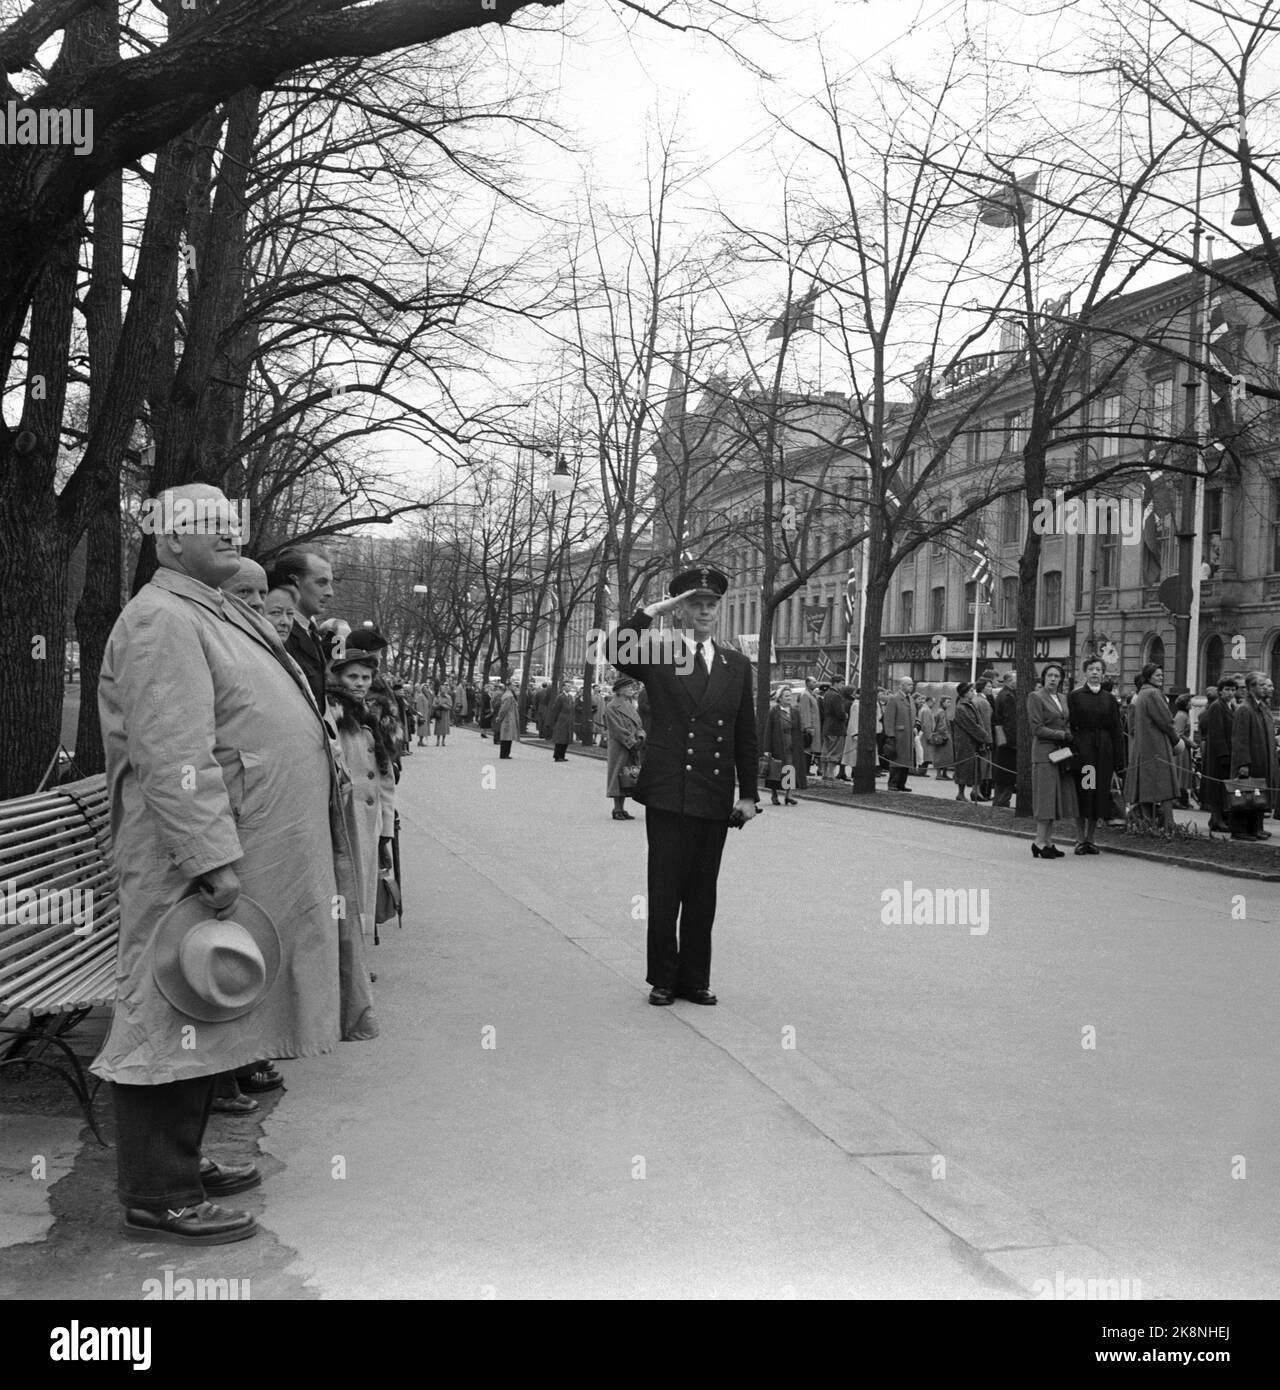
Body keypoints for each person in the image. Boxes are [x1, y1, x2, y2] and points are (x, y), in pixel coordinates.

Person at [92, 484, 374, 1247]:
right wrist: (211, 858)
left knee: (211, 1005)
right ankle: (159, 1194)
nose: (225, 530)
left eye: (229, 519)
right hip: (195, 860)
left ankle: (180, 1163)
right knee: (174, 1010)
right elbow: (173, 753)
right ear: (166, 542)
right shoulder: (162, 619)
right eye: (203, 523)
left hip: (233, 849)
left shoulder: (205, 608)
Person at [612, 565, 758, 1007]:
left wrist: (749, 794)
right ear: (680, 610)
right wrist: (653, 609)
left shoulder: (737, 664)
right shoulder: (659, 655)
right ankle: (663, 977)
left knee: (702, 892)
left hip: (713, 793)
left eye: (711, 604)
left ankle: (695, 978)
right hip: (669, 790)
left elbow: (745, 734)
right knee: (665, 887)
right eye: (694, 604)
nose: (704, 611)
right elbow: (618, 649)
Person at [325, 648, 396, 940]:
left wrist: (387, 828)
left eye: (365, 677)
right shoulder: (334, 715)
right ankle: (344, 960)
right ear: (338, 678)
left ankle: (355, 958)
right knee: (343, 888)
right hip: (345, 817)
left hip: (369, 821)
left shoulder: (369, 715)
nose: (360, 683)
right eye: (352, 676)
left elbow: (385, 777)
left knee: (362, 887)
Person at [267, 547, 334, 710]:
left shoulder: (311, 632)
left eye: (330, 583)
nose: (330, 592)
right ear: (294, 582)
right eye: (322, 582)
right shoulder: (278, 634)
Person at [1068, 656, 1123, 853]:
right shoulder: (1075, 696)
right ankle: (1080, 839)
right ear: (1085, 672)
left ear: (1103, 673)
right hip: (1085, 753)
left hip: (1104, 752)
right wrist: (1074, 751)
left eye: (1098, 669)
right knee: (1085, 793)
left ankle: (1091, 839)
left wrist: (1118, 760)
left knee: (1099, 795)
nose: (1094, 673)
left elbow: (1117, 729)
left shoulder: (1109, 699)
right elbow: (1070, 726)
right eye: (1091, 669)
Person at [1026, 661, 1078, 858]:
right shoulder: (1035, 697)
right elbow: (1037, 729)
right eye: (1050, 676)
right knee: (1045, 798)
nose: (1053, 679)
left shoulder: (1063, 698)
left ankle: (1048, 841)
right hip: (1044, 754)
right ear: (1044, 678)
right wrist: (1062, 735)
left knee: (1056, 798)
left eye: (1057, 676)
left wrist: (1068, 734)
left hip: (1060, 754)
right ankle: (1038, 841)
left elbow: (1066, 722)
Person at [1123, 663, 1182, 832]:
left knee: (1146, 787)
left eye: (1162, 675)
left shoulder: (1141, 693)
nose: (1161, 678)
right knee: (1166, 786)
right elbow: (1166, 721)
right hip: (1158, 745)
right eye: (1157, 675)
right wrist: (1175, 739)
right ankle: (1169, 824)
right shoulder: (1154, 694)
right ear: (1149, 677)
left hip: (1144, 746)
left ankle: (1148, 823)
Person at [1229, 671, 1279, 841]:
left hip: (1262, 759)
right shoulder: (1245, 709)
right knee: (1244, 795)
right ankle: (1239, 830)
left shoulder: (1261, 707)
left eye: (1266, 685)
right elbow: (1240, 739)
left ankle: (1255, 827)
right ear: (1251, 687)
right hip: (1251, 761)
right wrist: (1243, 763)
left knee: (1258, 795)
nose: (1265, 688)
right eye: (1261, 685)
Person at [1200, 677, 1237, 833]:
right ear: (1220, 691)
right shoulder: (1217, 707)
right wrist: (1223, 754)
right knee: (1216, 787)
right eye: (1227, 690)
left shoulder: (1231, 706)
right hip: (1218, 756)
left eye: (1233, 690)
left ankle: (1222, 817)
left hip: (1228, 753)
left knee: (1224, 788)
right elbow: (1217, 733)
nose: (1230, 693)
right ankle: (1216, 819)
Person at [605, 677, 645, 820]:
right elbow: (617, 729)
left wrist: (640, 737)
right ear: (620, 691)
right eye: (628, 687)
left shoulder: (629, 705)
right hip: (620, 746)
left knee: (627, 776)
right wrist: (632, 741)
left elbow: (639, 724)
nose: (631, 689)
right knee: (617, 775)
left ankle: (622, 808)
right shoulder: (612, 707)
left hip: (632, 746)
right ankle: (616, 808)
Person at [763, 686, 806, 806]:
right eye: (786, 696)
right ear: (780, 698)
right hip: (778, 744)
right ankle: (774, 794)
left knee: (790, 769)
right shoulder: (774, 711)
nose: (789, 698)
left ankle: (789, 795)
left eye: (790, 696)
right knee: (775, 770)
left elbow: (798, 729)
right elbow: (768, 730)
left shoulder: (795, 712)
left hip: (791, 744)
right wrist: (767, 749)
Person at [950, 683, 987, 802]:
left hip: (972, 741)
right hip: (964, 743)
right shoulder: (961, 708)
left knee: (975, 767)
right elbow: (971, 725)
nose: (973, 693)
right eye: (971, 691)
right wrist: (983, 735)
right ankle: (960, 793)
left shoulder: (969, 705)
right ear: (964, 693)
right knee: (964, 768)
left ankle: (975, 791)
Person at [882, 676, 916, 791]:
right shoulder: (894, 698)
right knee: (896, 760)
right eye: (909, 684)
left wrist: (915, 727)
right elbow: (888, 718)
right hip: (898, 735)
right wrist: (890, 735)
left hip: (908, 735)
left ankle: (902, 783)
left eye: (912, 684)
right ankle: (893, 783)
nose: (911, 686)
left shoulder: (910, 699)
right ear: (901, 686)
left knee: (906, 760)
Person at [990, 672, 1018, 808]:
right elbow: (1011, 721)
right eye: (1015, 679)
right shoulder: (1009, 696)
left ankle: (999, 800)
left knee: (1002, 775)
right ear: (1009, 681)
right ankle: (1002, 801)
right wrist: (1014, 741)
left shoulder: (1002, 694)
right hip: (1009, 742)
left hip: (1002, 738)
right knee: (1008, 775)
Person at [971, 676, 994, 801]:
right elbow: (986, 723)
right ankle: (977, 791)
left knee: (979, 765)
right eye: (988, 686)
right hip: (983, 738)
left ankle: (976, 790)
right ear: (982, 688)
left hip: (976, 737)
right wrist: (988, 740)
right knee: (983, 766)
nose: (991, 689)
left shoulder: (974, 700)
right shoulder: (984, 702)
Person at [819, 682, 846, 785]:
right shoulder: (836, 696)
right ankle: (831, 775)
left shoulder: (826, 694)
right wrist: (845, 715)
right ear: (837, 683)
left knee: (825, 750)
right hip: (836, 727)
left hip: (826, 725)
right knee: (834, 751)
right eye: (841, 683)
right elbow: (840, 713)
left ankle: (825, 774)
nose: (842, 686)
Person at [1171, 693, 1194, 808]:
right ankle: (1176, 800)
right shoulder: (1182, 716)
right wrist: (1191, 743)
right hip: (1181, 748)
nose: (1191, 704)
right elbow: (1179, 733)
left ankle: (1183, 799)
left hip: (1184, 747)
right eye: (1189, 702)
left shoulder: (1184, 714)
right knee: (1180, 773)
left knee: (1184, 772)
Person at [798, 677, 820, 777]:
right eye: (813, 682)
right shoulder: (805, 695)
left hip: (815, 725)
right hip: (810, 727)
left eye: (816, 682)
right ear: (807, 683)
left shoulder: (812, 695)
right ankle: (805, 770)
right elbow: (805, 712)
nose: (815, 683)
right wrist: (807, 726)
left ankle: (807, 769)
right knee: (807, 748)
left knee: (811, 749)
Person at [548, 680, 575, 761]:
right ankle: (557, 756)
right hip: (561, 719)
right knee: (560, 738)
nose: (569, 688)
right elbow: (555, 709)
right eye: (567, 686)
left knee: (566, 738)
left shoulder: (570, 697)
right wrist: (554, 720)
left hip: (568, 720)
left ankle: (562, 755)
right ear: (563, 687)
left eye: (570, 686)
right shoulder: (560, 697)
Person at [493, 678, 520, 759]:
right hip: (508, 719)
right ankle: (504, 754)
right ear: (509, 687)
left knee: (508, 737)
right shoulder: (509, 696)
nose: (515, 688)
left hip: (509, 718)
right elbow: (504, 709)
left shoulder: (509, 695)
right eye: (514, 686)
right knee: (506, 737)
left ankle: (506, 754)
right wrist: (499, 717)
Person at [931, 697, 954, 779]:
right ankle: (940, 774)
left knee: (943, 755)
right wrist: (945, 736)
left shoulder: (940, 711)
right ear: (942, 702)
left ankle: (943, 773)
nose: (949, 704)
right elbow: (942, 725)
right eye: (948, 702)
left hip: (940, 735)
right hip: (943, 736)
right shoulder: (941, 712)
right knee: (942, 756)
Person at [432, 681, 452, 745]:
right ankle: (437, 740)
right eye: (442, 691)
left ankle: (443, 741)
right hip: (439, 714)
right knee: (438, 727)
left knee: (444, 728)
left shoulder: (448, 697)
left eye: (444, 690)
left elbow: (450, 706)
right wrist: (438, 706)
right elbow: (433, 705)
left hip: (445, 714)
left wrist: (444, 706)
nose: (443, 692)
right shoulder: (437, 697)